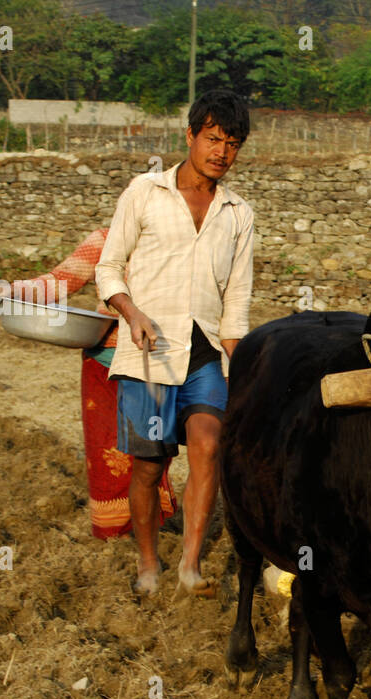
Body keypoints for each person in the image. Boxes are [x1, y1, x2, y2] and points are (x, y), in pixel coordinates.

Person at [95, 89, 255, 600]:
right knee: (149, 466)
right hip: (149, 352)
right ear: (189, 136)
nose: (221, 152)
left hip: (205, 351)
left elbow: (237, 297)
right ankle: (147, 564)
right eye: (213, 139)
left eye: (232, 144)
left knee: (208, 444)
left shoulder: (238, 214)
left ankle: (189, 566)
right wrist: (131, 312)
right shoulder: (145, 192)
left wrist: (244, 363)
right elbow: (108, 266)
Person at [2, 230, 180, 539]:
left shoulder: (178, 243)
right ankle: (118, 531)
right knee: (108, 450)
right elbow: (60, 281)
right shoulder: (105, 239)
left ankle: (152, 525)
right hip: (105, 361)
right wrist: (15, 291)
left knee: (152, 452)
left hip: (156, 362)